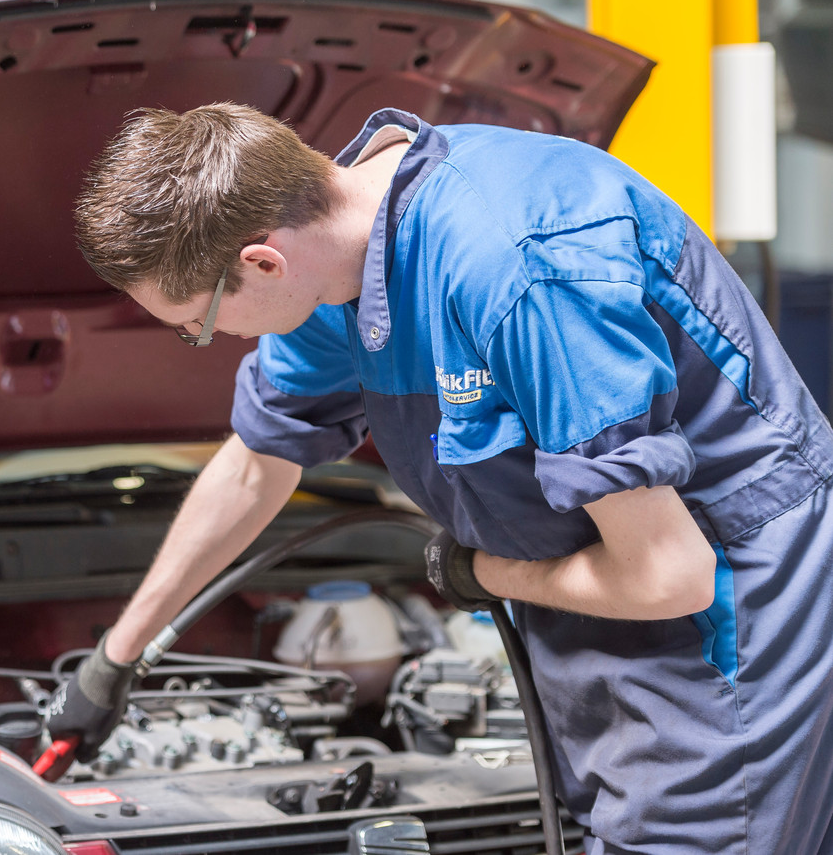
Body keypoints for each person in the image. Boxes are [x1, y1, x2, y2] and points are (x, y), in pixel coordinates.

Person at [45, 102, 833, 854]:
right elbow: (259, 463)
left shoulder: (520, 268)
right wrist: (117, 657)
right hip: (587, 601)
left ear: (262, 260)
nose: (207, 340)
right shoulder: (335, 263)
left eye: (198, 324)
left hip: (729, 614)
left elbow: (670, 577)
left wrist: (480, 571)